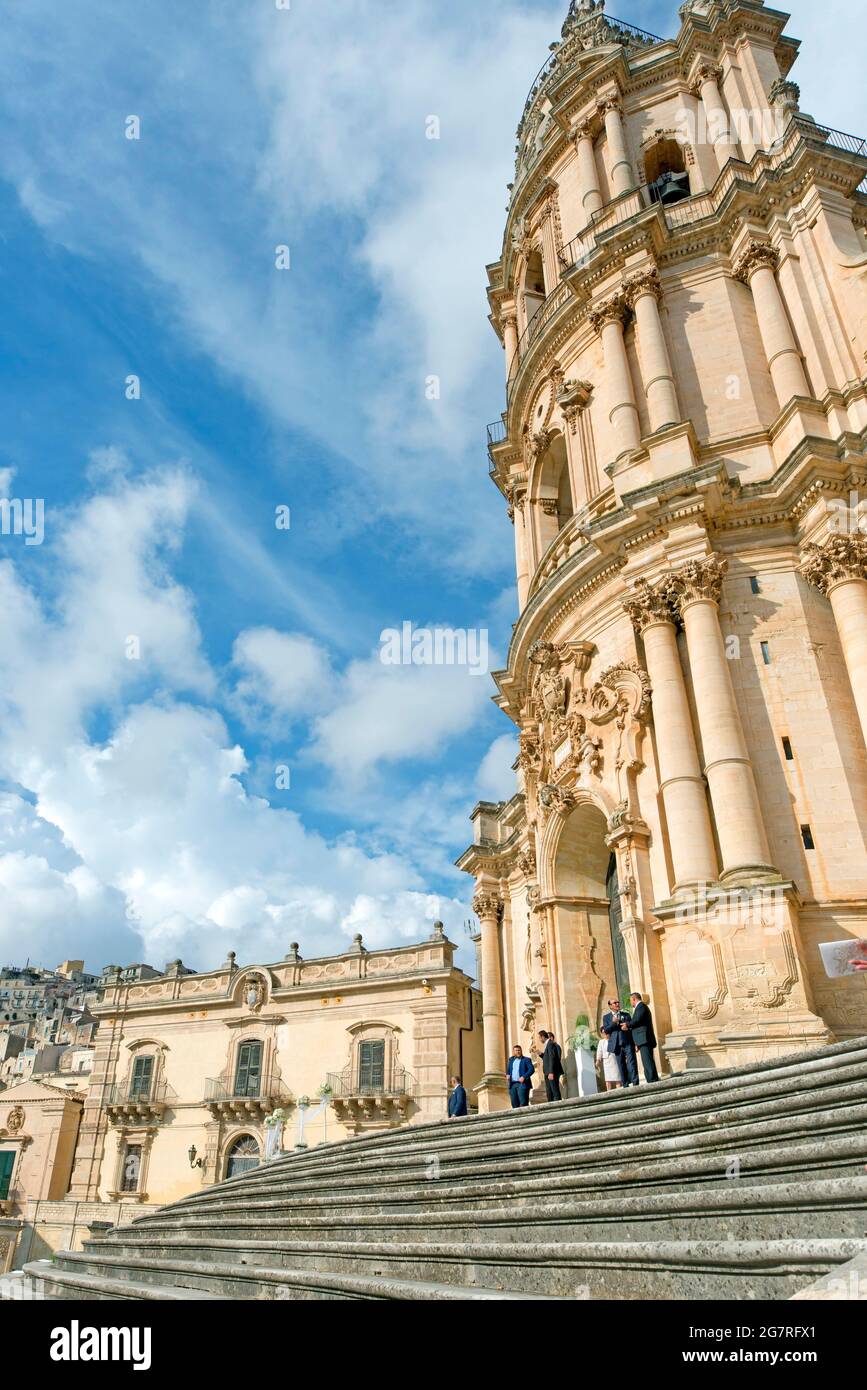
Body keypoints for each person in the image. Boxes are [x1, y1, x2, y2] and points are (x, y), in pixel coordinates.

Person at [601, 997, 639, 1087]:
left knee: (632, 1063)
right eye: (615, 1003)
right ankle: (625, 1085)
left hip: (628, 1042)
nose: (617, 1004)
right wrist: (613, 1023)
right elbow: (606, 1030)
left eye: (618, 1002)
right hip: (616, 1044)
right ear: (610, 1006)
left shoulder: (626, 1015)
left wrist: (636, 1043)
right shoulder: (606, 1017)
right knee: (621, 1066)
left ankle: (635, 1083)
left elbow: (631, 1028)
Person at [629, 992, 660, 1082]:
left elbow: (637, 1020)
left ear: (634, 999)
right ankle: (652, 1080)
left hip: (644, 1039)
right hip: (643, 1039)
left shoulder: (641, 1006)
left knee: (647, 1061)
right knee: (647, 1061)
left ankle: (652, 1081)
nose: (631, 1003)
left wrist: (628, 1025)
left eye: (631, 1000)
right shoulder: (641, 1007)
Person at [538, 1030, 564, 1102]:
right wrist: (541, 1054)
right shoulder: (548, 1045)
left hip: (551, 1072)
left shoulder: (550, 1044)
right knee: (549, 1092)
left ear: (543, 1037)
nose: (539, 1040)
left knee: (554, 1090)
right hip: (547, 1072)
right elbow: (548, 1058)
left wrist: (551, 1072)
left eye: (539, 1038)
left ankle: (558, 1107)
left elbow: (553, 1058)